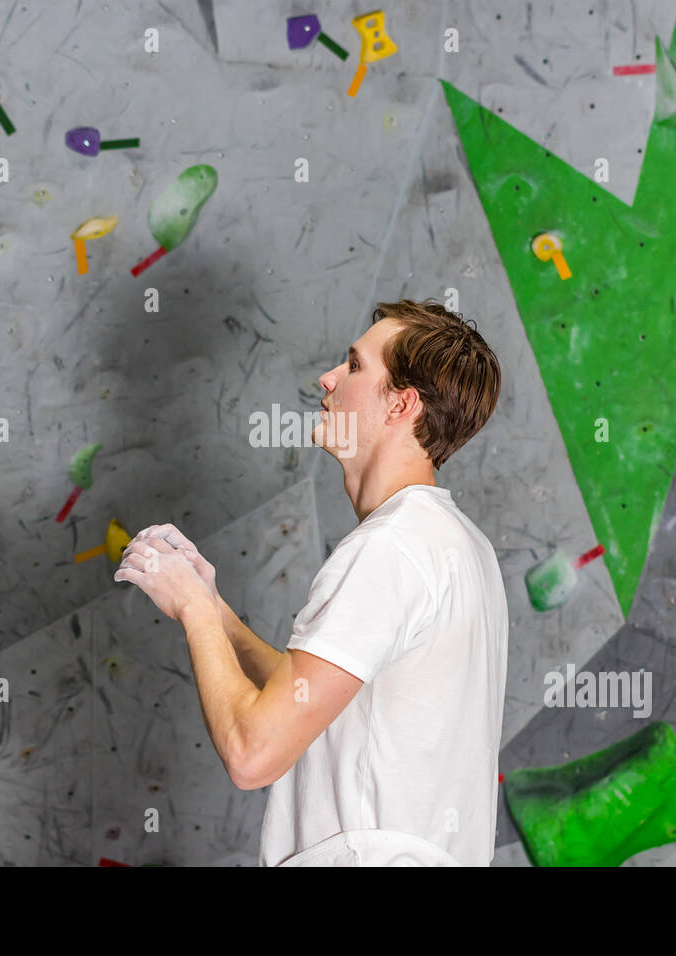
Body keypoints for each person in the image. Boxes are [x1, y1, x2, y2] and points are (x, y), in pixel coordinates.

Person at [116, 298, 506, 866]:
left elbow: (253, 753)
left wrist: (194, 613)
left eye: (354, 366)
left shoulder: (388, 549)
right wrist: (217, 610)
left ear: (401, 404)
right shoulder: (456, 544)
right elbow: (319, 702)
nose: (328, 378)